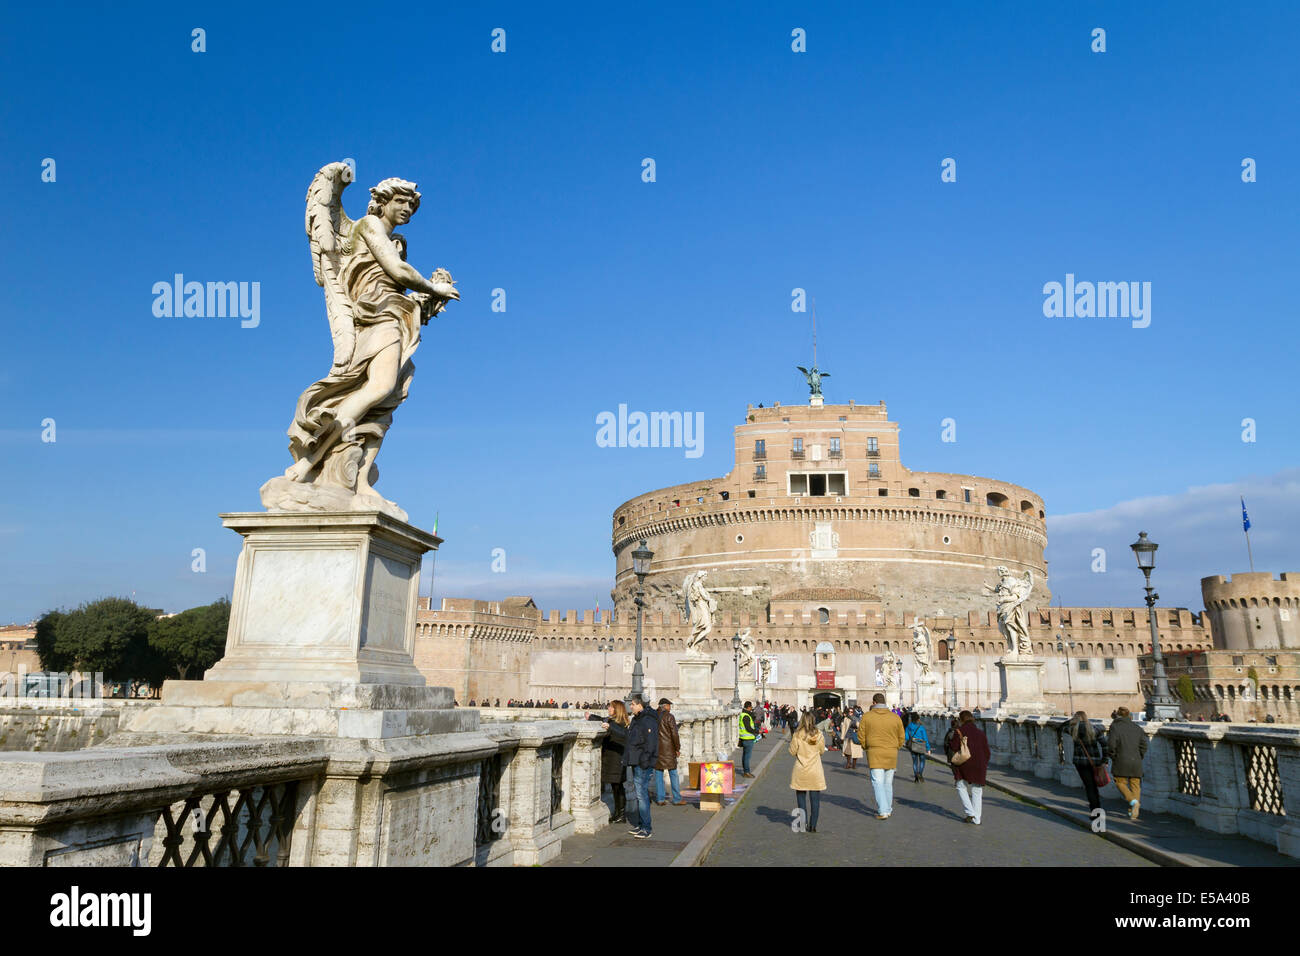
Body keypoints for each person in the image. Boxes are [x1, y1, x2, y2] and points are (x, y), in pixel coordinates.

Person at [858, 693, 906, 819]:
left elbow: (861, 735)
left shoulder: (867, 716)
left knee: (877, 782)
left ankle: (883, 811)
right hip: (891, 752)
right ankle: (888, 808)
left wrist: (866, 747)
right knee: (888, 783)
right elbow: (902, 736)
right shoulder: (895, 717)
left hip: (874, 752)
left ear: (874, 702)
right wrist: (897, 746)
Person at [622, 695, 661, 839]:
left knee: (641, 795)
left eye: (632, 704)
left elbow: (651, 744)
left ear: (640, 705)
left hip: (641, 763)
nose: (630, 706)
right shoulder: (637, 719)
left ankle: (646, 828)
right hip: (636, 761)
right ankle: (641, 824)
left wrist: (644, 761)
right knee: (639, 794)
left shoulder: (648, 720)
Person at [588, 700, 629, 822]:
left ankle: (621, 814)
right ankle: (618, 813)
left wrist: (610, 727)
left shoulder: (620, 723)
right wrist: (590, 717)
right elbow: (602, 719)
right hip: (612, 758)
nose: (609, 708)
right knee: (615, 785)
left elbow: (622, 734)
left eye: (611, 707)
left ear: (617, 709)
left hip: (617, 758)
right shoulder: (612, 720)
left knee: (618, 786)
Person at [1106, 706, 1148, 819]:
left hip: (1121, 759)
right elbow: (1144, 745)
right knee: (1135, 785)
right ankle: (1133, 812)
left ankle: (1133, 802)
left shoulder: (1115, 727)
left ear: (1118, 715)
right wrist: (1140, 756)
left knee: (1120, 782)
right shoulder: (1137, 727)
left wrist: (1113, 756)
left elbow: (1111, 745)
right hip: (1136, 761)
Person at [789, 710, 827, 833]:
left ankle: (802, 824)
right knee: (815, 800)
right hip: (815, 771)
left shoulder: (797, 734)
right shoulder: (819, 734)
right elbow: (821, 751)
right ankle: (813, 825)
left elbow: (792, 752)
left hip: (801, 770)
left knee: (801, 799)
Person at [951, 710, 990, 824]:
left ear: (961, 720)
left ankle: (970, 812)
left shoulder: (959, 731)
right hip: (980, 763)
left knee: (960, 785)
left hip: (965, 762)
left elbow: (953, 747)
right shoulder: (981, 733)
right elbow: (987, 751)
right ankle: (977, 819)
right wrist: (984, 763)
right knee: (977, 790)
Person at [1067, 711, 1109, 818]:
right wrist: (1104, 760)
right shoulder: (1094, 729)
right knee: (1094, 787)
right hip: (1094, 762)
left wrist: (1073, 720)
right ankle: (1098, 809)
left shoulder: (1072, 730)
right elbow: (1105, 745)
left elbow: (1062, 726)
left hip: (1080, 762)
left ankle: (1096, 812)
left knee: (1089, 787)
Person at [655, 698, 684, 806]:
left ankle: (660, 799)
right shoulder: (669, 717)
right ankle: (677, 798)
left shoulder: (654, 716)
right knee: (673, 773)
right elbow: (674, 734)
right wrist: (677, 748)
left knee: (658, 774)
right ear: (665, 706)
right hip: (668, 750)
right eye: (669, 705)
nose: (670, 708)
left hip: (657, 750)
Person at [904, 713, 931, 782]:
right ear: (918, 719)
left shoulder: (909, 726)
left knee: (915, 762)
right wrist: (928, 748)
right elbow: (925, 738)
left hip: (913, 746)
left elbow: (906, 736)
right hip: (921, 746)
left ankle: (916, 776)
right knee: (922, 761)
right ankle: (920, 774)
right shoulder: (921, 727)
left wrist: (908, 740)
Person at [738, 701, 759, 777]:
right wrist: (757, 731)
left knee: (745, 756)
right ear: (749, 707)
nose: (751, 709)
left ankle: (745, 771)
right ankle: (746, 772)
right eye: (751, 707)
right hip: (748, 738)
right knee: (747, 756)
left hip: (744, 738)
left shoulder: (742, 715)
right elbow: (748, 728)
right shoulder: (746, 716)